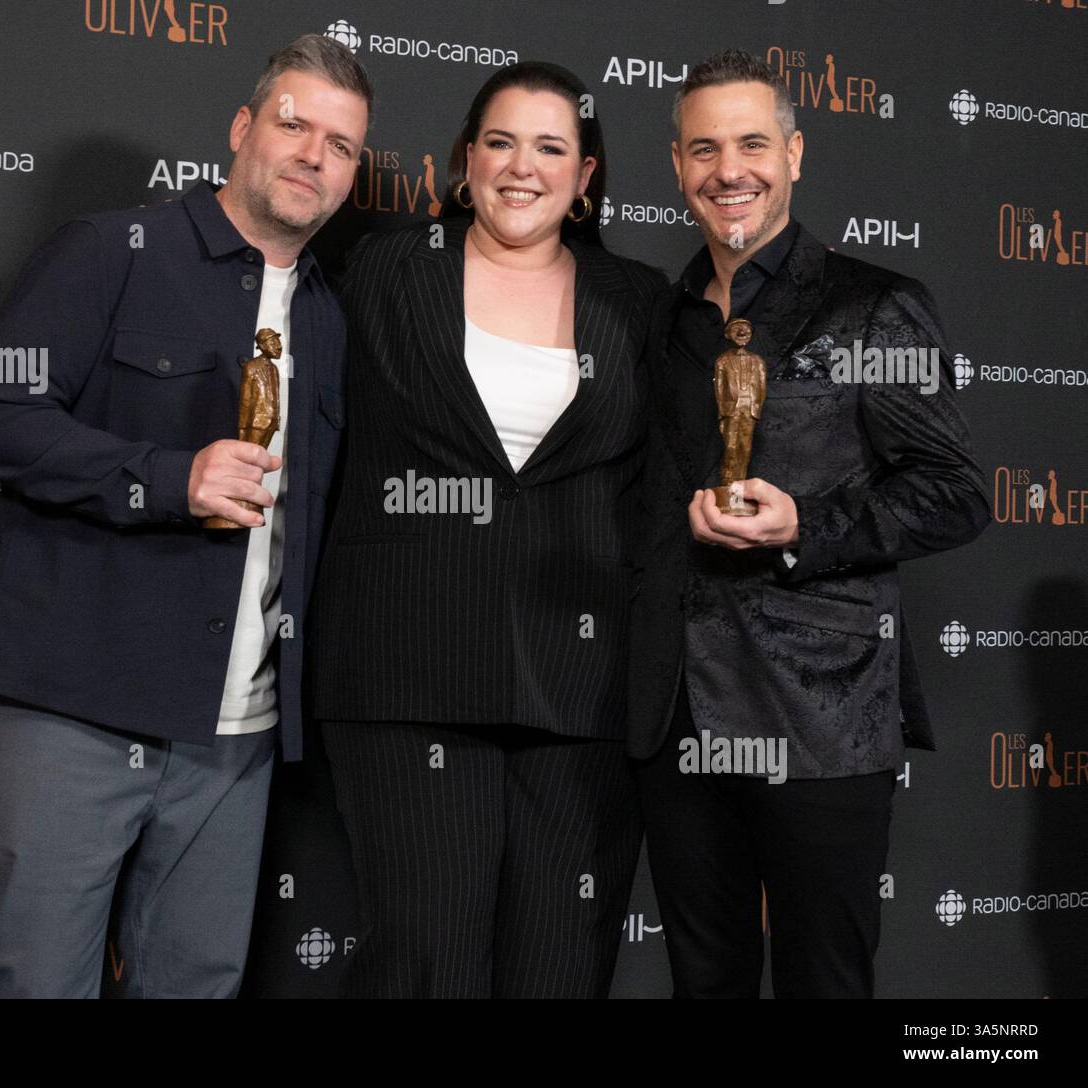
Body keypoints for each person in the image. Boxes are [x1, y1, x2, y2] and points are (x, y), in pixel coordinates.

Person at [0, 35, 372, 998]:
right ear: (242, 127)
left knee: (194, 986)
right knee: (35, 982)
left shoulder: (330, 317)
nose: (313, 155)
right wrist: (169, 479)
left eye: (341, 145)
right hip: (79, 713)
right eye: (294, 124)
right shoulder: (111, 251)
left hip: (236, 737)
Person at [628, 49, 990, 998]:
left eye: (752, 144)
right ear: (677, 167)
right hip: (676, 716)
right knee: (704, 980)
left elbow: (955, 490)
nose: (729, 170)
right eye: (704, 149)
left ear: (794, 154)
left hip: (820, 711)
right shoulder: (664, 319)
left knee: (825, 982)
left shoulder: (874, 305)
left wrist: (804, 527)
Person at [309, 61, 668, 998]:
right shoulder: (381, 270)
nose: (522, 166)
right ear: (465, 160)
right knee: (423, 966)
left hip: (583, 687)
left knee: (562, 970)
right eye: (500, 142)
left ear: (584, 176)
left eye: (550, 147)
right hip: (406, 672)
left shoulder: (640, 303)